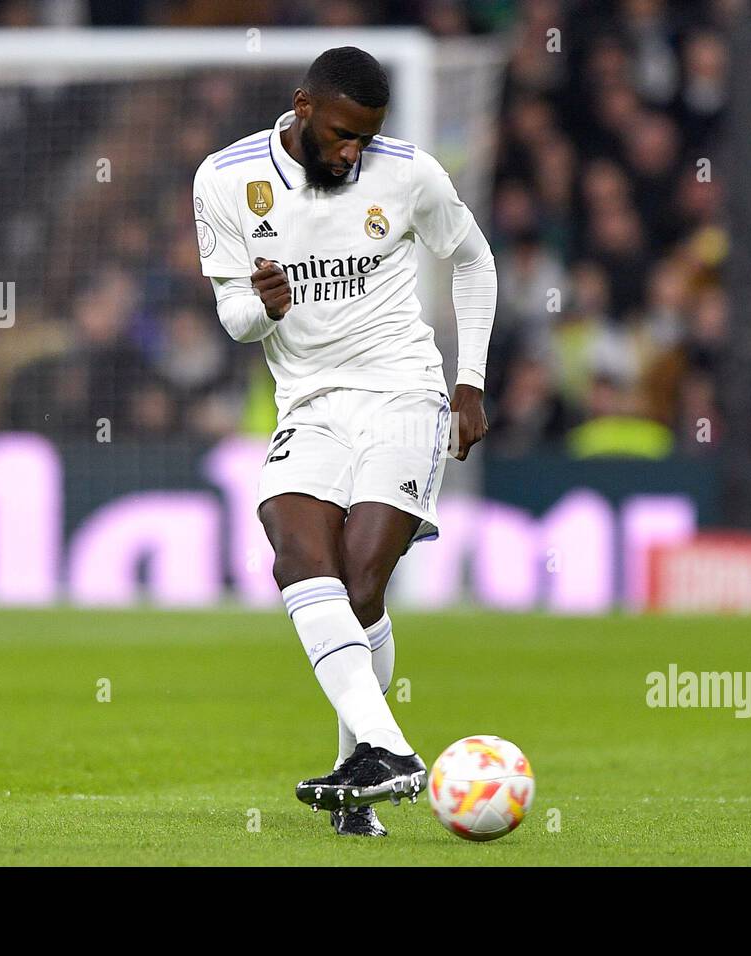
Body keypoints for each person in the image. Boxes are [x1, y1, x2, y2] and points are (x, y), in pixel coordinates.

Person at [193, 47, 498, 836]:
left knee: (362, 585)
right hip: (309, 401)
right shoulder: (225, 181)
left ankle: (367, 772)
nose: (349, 152)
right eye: (338, 134)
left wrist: (472, 380)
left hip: (403, 390)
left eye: (364, 137)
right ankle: (384, 754)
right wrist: (264, 307)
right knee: (296, 555)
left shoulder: (409, 175)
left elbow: (473, 259)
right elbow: (234, 320)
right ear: (301, 106)